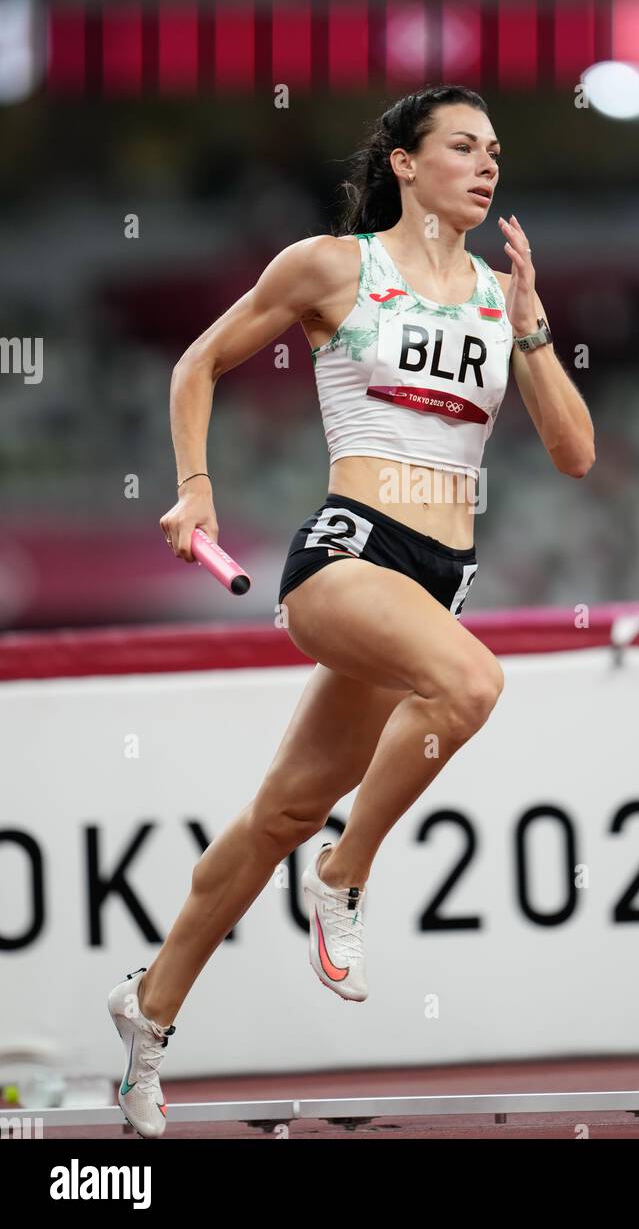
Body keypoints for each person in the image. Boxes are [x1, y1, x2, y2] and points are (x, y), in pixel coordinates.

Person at [107, 84, 595, 1138]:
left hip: (433, 579)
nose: (486, 163)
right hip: (347, 554)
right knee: (470, 681)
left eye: (495, 150)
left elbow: (574, 454)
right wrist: (195, 485)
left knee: (274, 812)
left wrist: (532, 328)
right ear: (405, 164)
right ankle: (342, 874)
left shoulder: (493, 297)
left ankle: (147, 1017)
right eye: (462, 145)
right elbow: (199, 361)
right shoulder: (333, 265)